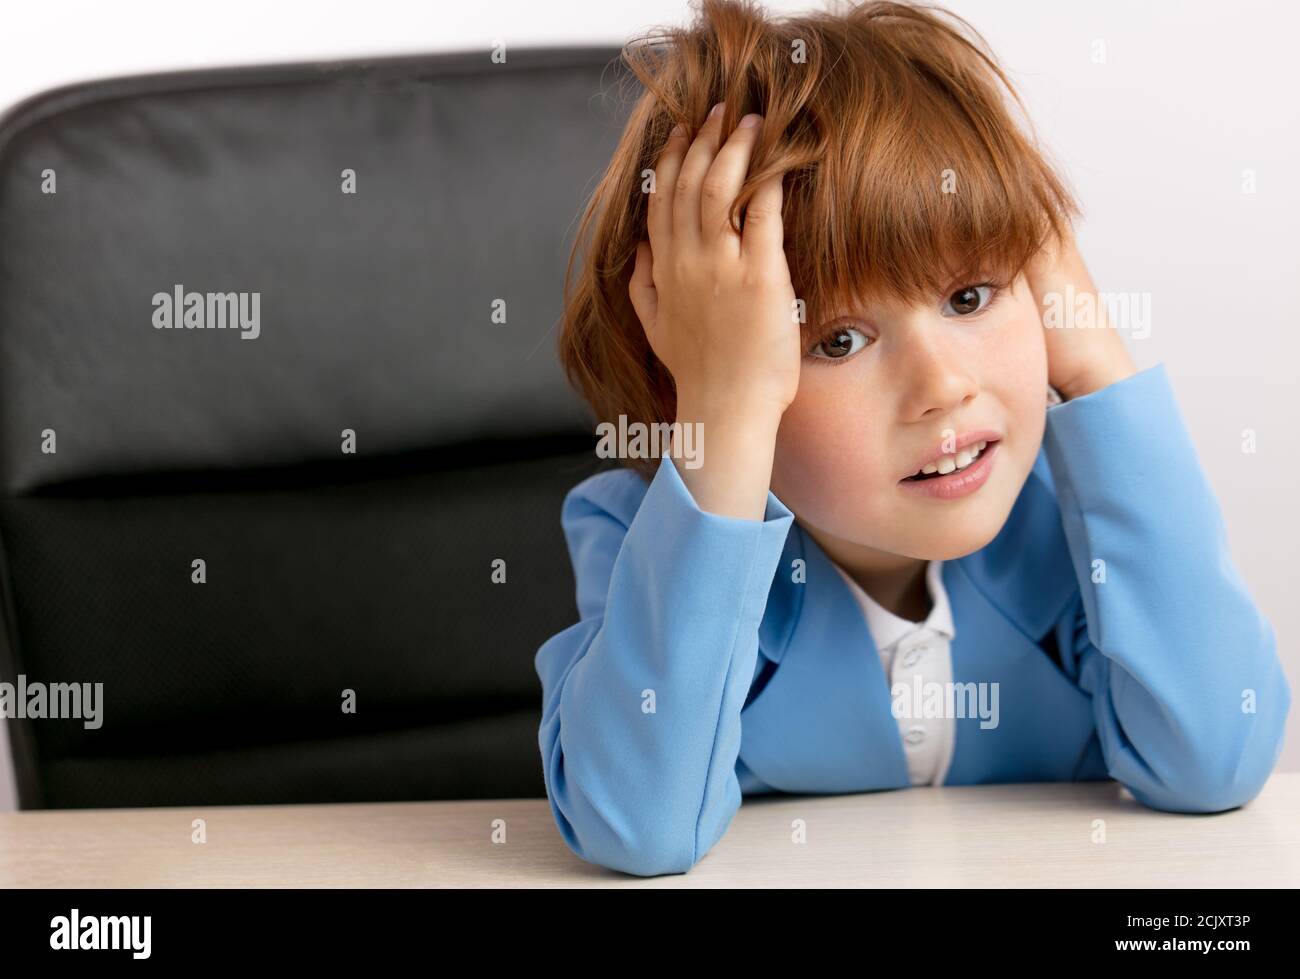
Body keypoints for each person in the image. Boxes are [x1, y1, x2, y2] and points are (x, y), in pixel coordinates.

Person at [535, 0, 1290, 877]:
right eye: (838, 342)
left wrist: (1092, 358)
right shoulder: (644, 535)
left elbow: (1217, 760)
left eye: (970, 297)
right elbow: (638, 826)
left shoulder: (1076, 525)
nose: (943, 387)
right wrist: (725, 420)